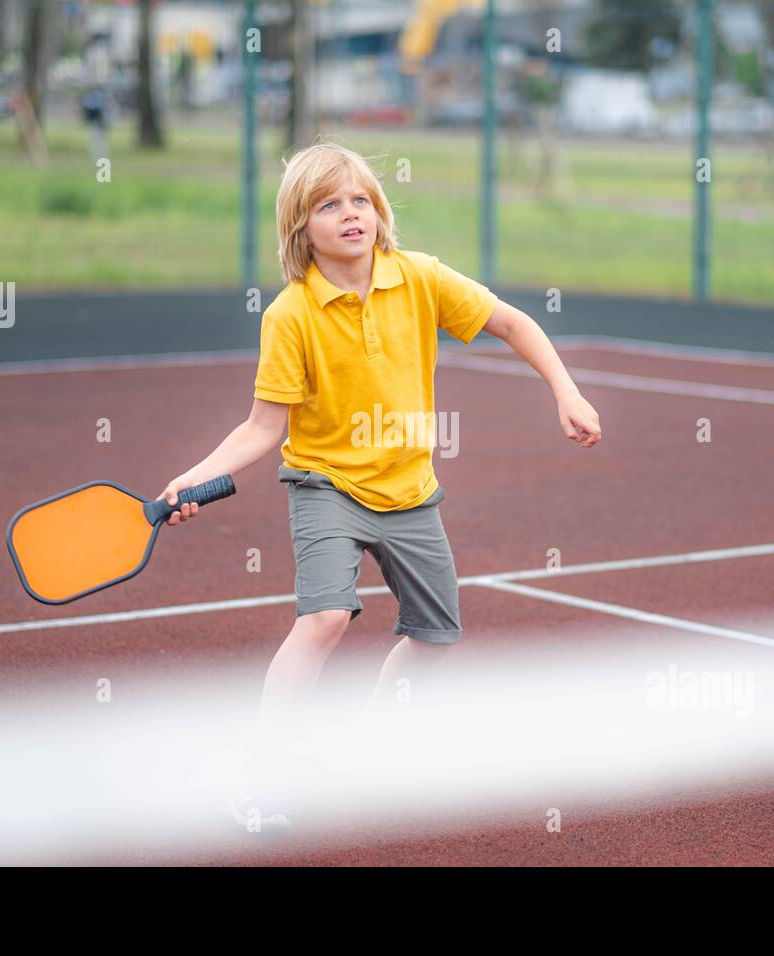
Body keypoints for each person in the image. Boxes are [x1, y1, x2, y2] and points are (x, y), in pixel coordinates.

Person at [159, 142, 601, 832]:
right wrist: (195, 477)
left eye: (360, 199)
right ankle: (259, 780)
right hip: (325, 485)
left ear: (380, 210)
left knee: (437, 635)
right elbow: (261, 428)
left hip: (410, 490)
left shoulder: (419, 277)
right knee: (325, 617)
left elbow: (512, 321)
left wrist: (565, 391)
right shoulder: (290, 316)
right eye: (328, 205)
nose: (349, 214)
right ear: (301, 228)